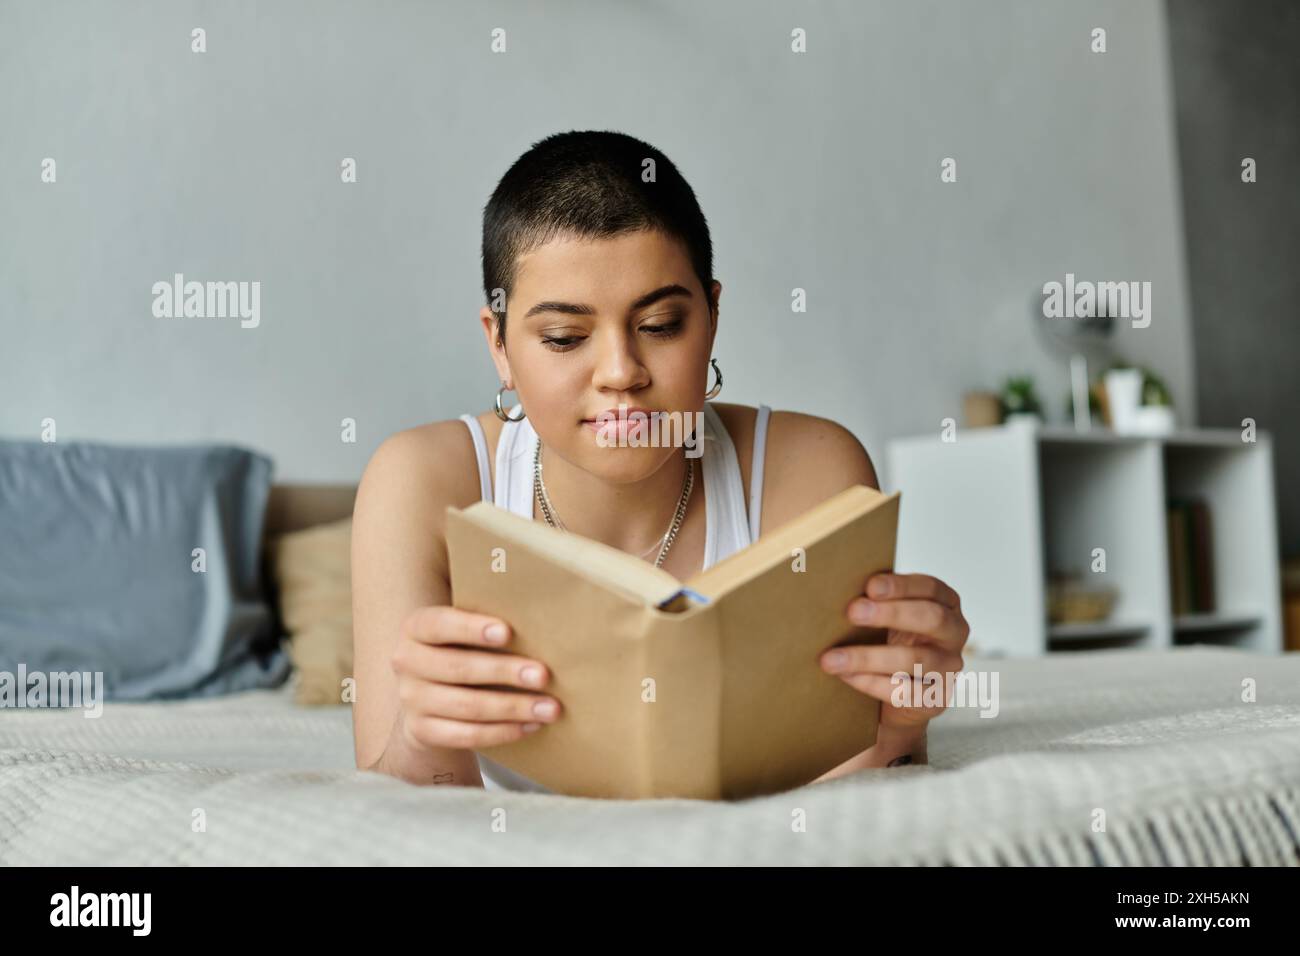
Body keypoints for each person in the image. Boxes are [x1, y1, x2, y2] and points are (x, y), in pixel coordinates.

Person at [351, 130, 970, 792]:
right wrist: (423, 736)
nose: (621, 373)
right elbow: (404, 819)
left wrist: (899, 725)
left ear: (711, 315)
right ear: (499, 343)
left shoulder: (811, 467)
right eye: (565, 338)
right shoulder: (421, 482)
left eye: (661, 326)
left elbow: (840, 804)